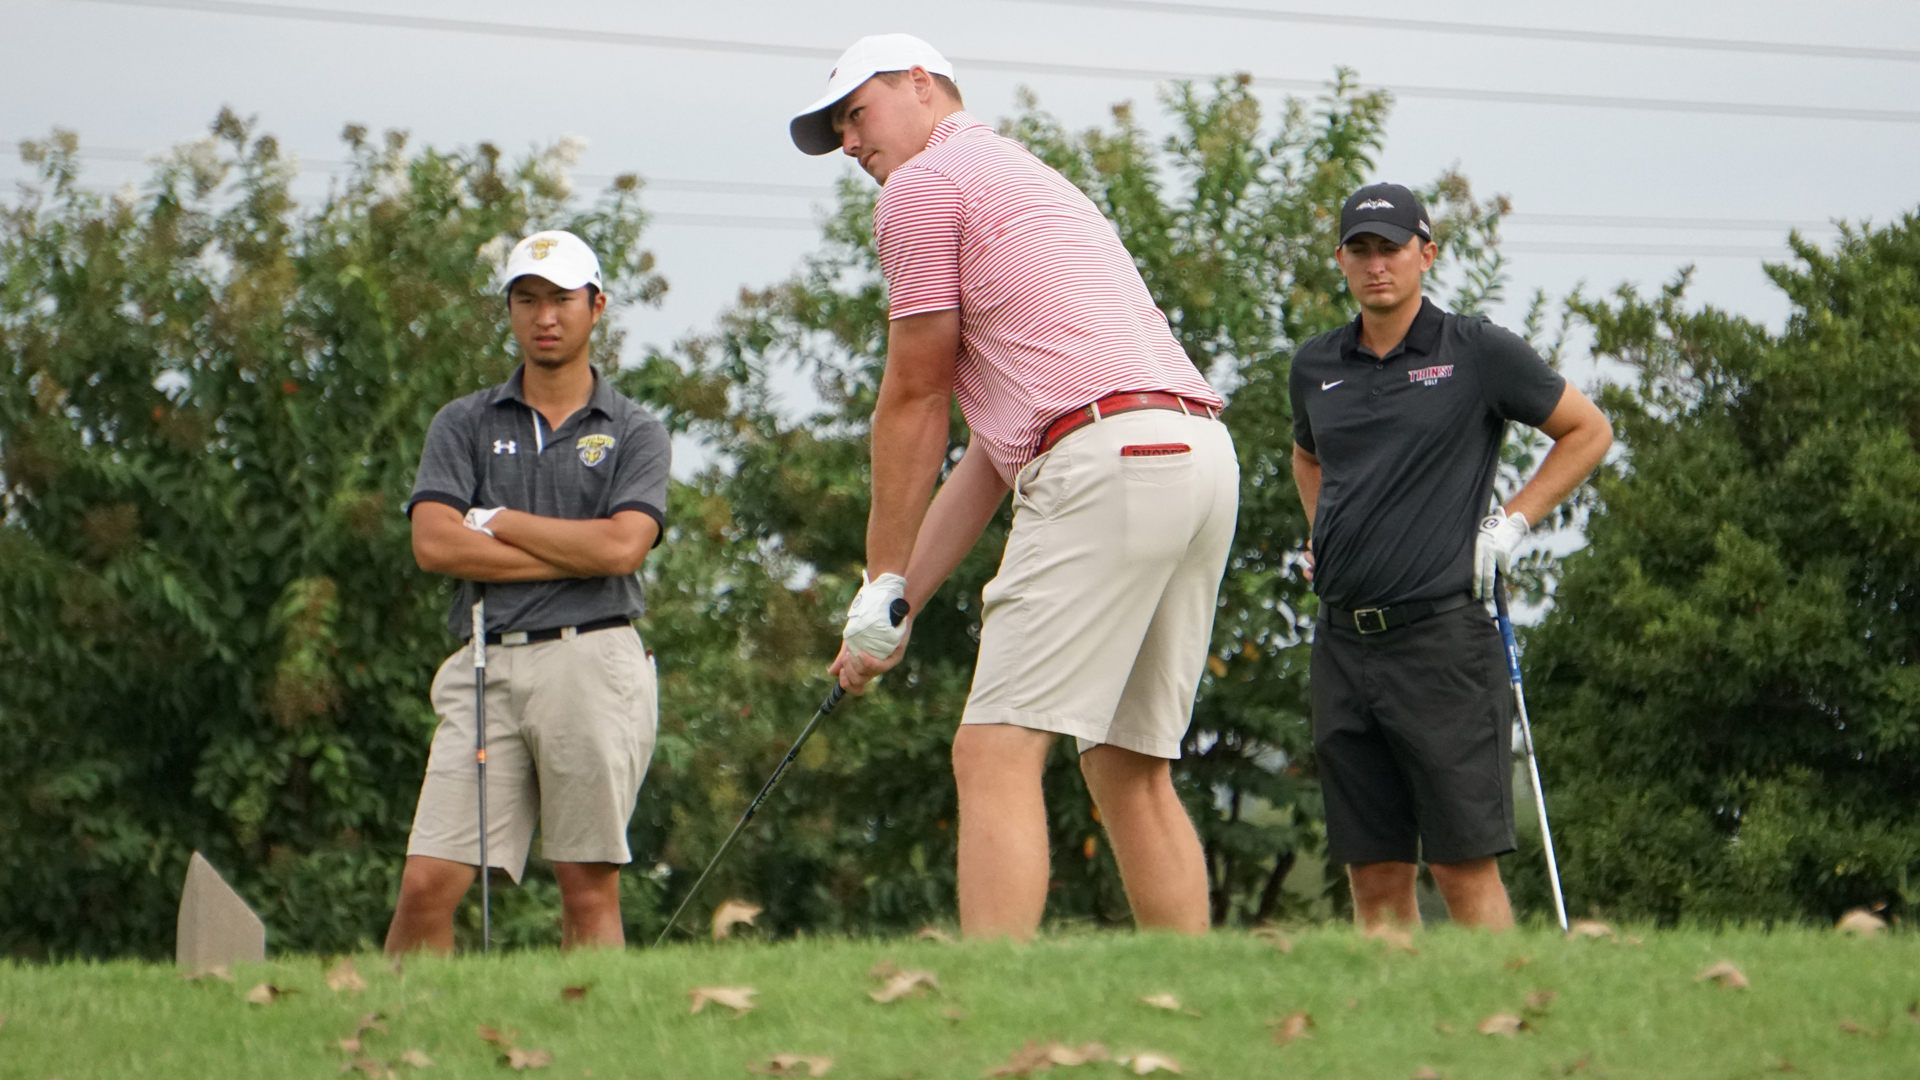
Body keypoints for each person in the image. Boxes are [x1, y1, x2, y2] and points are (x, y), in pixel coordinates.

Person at [790, 34, 1239, 941]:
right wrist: (899, 599)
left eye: (857, 112)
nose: (849, 141)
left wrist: (876, 577)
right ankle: (1198, 996)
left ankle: (992, 1012)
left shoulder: (922, 186)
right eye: (836, 126)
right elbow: (994, 457)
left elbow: (914, 395)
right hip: (1194, 459)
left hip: (1106, 462)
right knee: (1126, 764)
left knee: (992, 749)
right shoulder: (1033, 181)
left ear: (923, 85)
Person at [1289, 183, 1612, 932]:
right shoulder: (1316, 366)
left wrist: (1514, 523)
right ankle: (1394, 1035)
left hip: (1442, 644)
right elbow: (1310, 459)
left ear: (1425, 254)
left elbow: (1587, 430)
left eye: (1393, 248)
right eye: (1360, 249)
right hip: (1343, 644)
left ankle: (1501, 1029)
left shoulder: (1474, 351)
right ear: (1340, 259)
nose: (1377, 265)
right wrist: (1324, 535)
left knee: (1461, 868)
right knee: (1373, 876)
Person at [384, 230, 670, 954]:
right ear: (509, 310)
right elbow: (436, 544)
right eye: (527, 299)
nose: (545, 316)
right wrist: (578, 552)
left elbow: (623, 547)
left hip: (594, 659)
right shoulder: (464, 422)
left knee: (586, 886)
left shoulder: (635, 429)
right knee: (426, 884)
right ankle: (398, 1051)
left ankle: (595, 1055)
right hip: (487, 661)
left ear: (596, 306)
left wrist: (500, 524)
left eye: (562, 300)